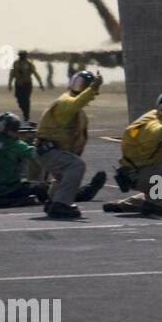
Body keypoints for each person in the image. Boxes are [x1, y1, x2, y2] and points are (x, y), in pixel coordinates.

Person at [34, 70, 107, 218]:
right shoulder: (65, 102)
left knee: (65, 175)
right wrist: (92, 89)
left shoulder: (76, 109)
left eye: (82, 84)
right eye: (79, 83)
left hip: (49, 151)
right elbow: (75, 104)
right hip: (48, 150)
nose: (78, 86)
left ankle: (53, 201)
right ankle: (61, 204)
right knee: (76, 166)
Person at [105, 90, 162, 217]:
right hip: (136, 174)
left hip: (141, 172)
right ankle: (155, 205)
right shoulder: (152, 120)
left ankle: (126, 205)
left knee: (159, 185)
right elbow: (151, 134)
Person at [0, 112, 48, 208]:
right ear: (12, 129)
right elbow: (35, 155)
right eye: (15, 128)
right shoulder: (15, 144)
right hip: (8, 190)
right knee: (40, 188)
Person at [8, 50, 44, 121]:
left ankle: (26, 115)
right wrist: (10, 84)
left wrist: (40, 83)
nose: (22, 57)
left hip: (27, 84)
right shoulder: (15, 63)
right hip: (18, 84)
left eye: (23, 55)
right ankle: (24, 111)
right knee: (19, 100)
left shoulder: (29, 64)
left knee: (26, 100)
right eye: (20, 55)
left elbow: (36, 74)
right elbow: (12, 74)